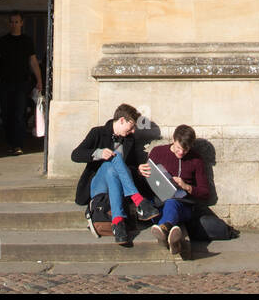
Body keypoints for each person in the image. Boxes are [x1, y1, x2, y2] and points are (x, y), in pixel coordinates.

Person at [71, 103, 160, 245]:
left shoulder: (129, 140)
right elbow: (75, 155)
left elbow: (129, 166)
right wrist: (98, 153)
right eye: (131, 127)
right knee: (114, 159)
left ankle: (118, 224)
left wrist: (137, 170)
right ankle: (139, 201)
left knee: (113, 168)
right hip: (98, 185)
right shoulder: (97, 132)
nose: (133, 131)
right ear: (122, 120)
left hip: (118, 185)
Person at [146, 124, 210, 258]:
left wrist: (186, 186)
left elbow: (205, 193)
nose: (181, 153)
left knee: (172, 203)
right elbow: (145, 182)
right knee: (161, 207)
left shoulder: (196, 160)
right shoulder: (158, 152)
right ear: (173, 139)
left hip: (182, 204)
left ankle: (165, 228)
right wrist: (141, 172)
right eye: (178, 148)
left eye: (185, 150)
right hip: (158, 203)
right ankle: (173, 239)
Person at [0, 13, 44, 154]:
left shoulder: (27, 41)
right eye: (12, 22)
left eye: (17, 22)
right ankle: (11, 142)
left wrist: (39, 80)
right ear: (9, 23)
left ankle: (18, 144)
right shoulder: (3, 41)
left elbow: (33, 62)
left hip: (22, 83)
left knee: (19, 113)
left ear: (22, 23)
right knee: (6, 114)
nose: (14, 24)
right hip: (5, 83)